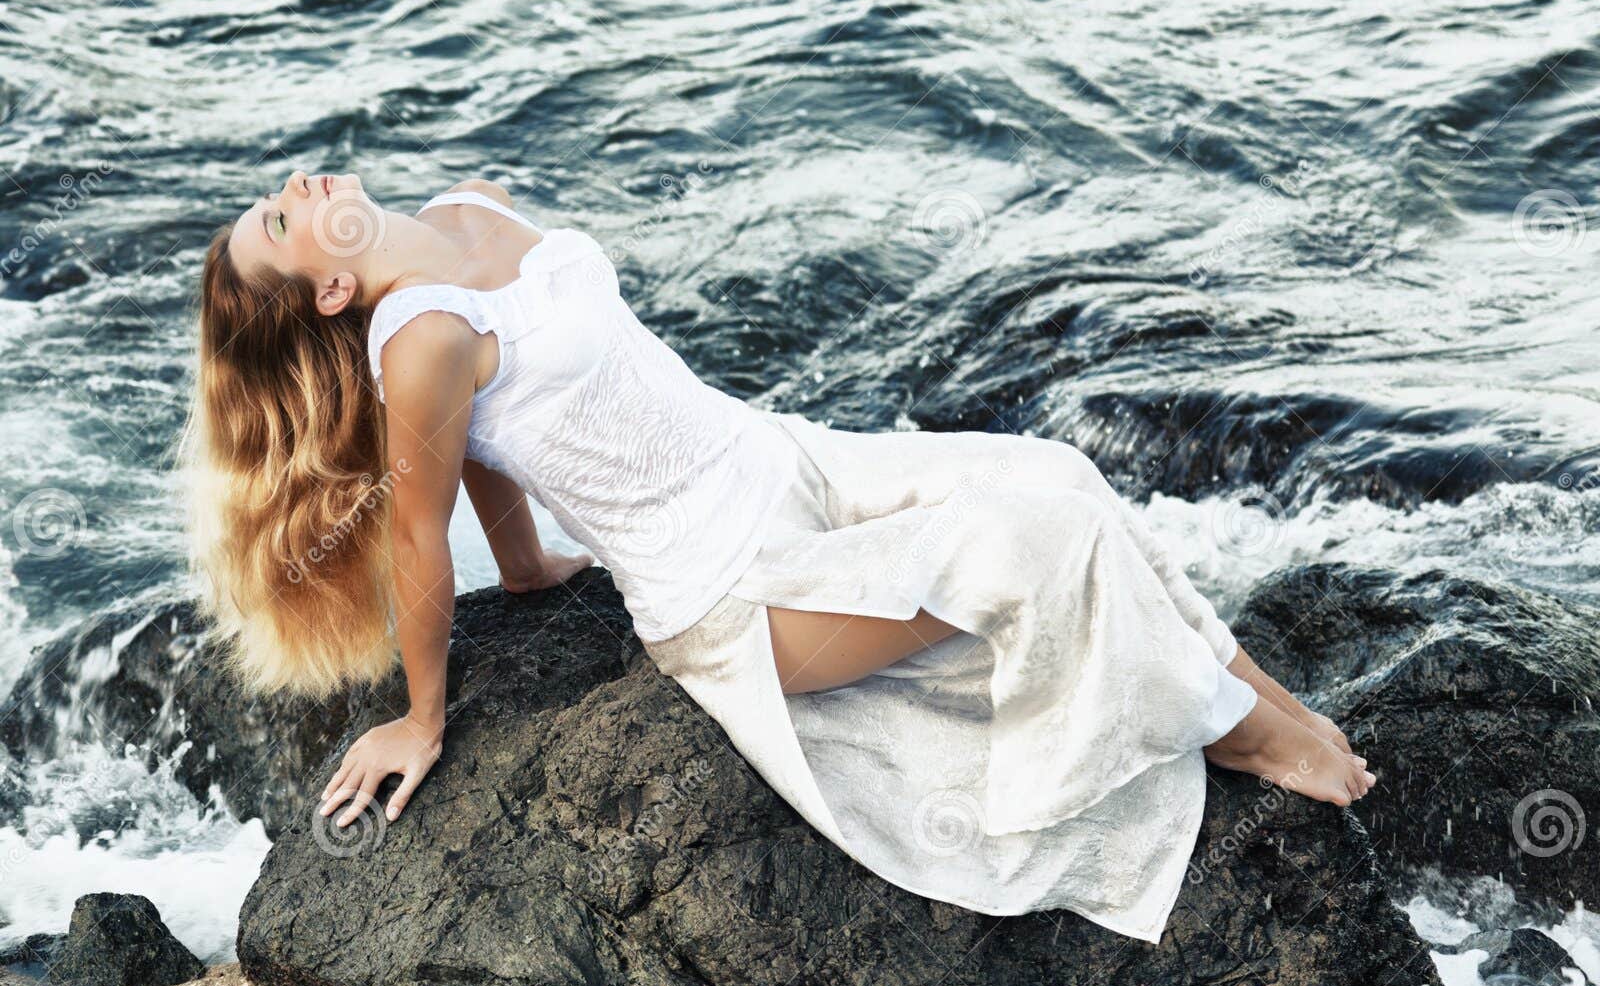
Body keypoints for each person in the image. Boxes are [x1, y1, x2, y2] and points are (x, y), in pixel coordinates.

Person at [182, 169, 1373, 943]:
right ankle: (1242, 727)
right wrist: (423, 715)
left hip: (788, 460)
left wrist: (533, 563)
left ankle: (1244, 694)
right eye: (280, 224)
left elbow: (485, 443)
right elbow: (409, 529)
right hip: (732, 593)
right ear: (333, 287)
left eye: (272, 195)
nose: (294, 187)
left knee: (1058, 475)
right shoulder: (416, 338)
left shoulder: (468, 209)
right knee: (1038, 544)